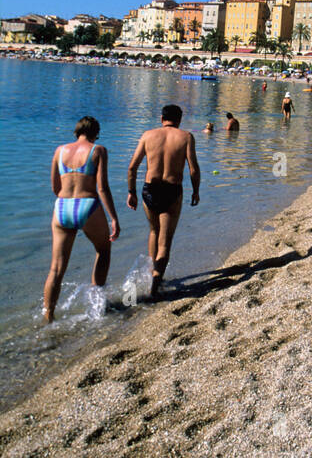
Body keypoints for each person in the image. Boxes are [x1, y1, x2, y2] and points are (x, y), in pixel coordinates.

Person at [43, 116, 120, 323]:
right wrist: (113, 218)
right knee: (103, 251)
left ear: (77, 131)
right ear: (96, 133)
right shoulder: (98, 150)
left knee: (56, 268)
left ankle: (48, 316)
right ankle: (96, 306)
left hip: (62, 207)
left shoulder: (59, 151)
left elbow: (55, 188)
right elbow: (102, 188)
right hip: (88, 206)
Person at [127, 104, 200, 299]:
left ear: (161, 118)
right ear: (180, 120)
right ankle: (156, 283)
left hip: (149, 189)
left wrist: (131, 192)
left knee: (153, 231)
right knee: (165, 241)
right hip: (171, 190)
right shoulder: (186, 137)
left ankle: (153, 273)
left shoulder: (147, 135)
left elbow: (132, 167)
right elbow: (193, 169)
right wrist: (196, 191)